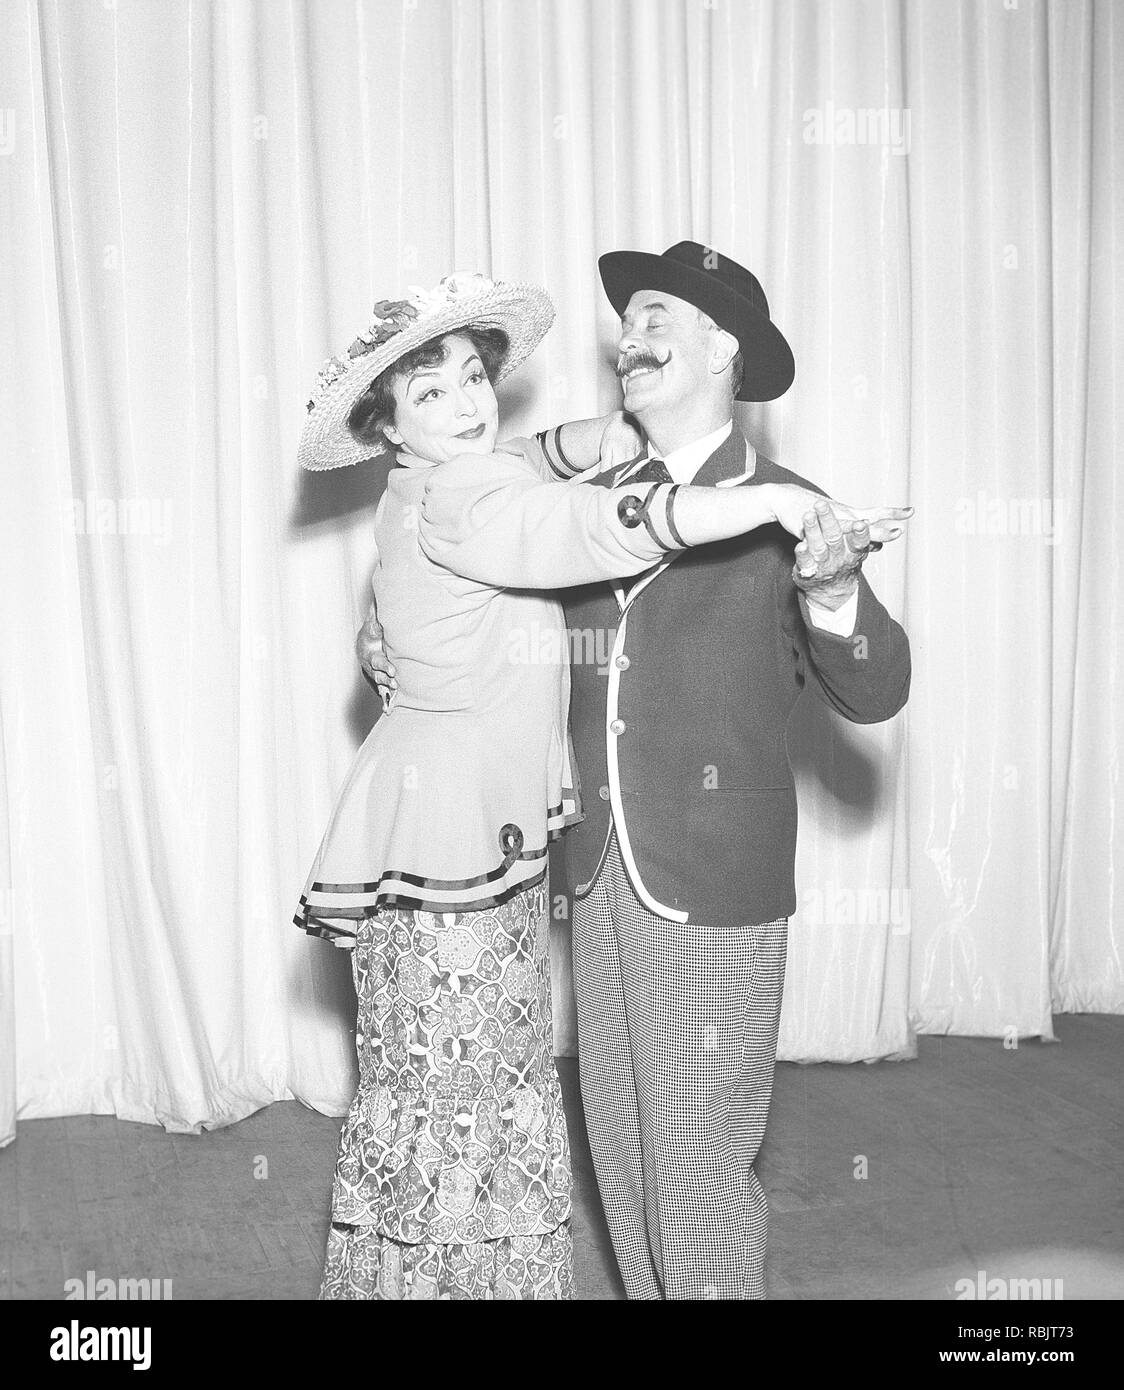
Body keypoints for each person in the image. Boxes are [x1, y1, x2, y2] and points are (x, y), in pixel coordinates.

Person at [305, 270, 910, 1301]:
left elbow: (876, 688)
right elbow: (502, 554)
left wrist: (837, 587)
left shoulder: (789, 510)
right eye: (624, 320)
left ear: (723, 352)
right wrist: (382, 632)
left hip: (710, 880)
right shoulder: (538, 502)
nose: (628, 332)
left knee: (694, 1163)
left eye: (658, 315)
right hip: (581, 875)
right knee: (619, 1160)